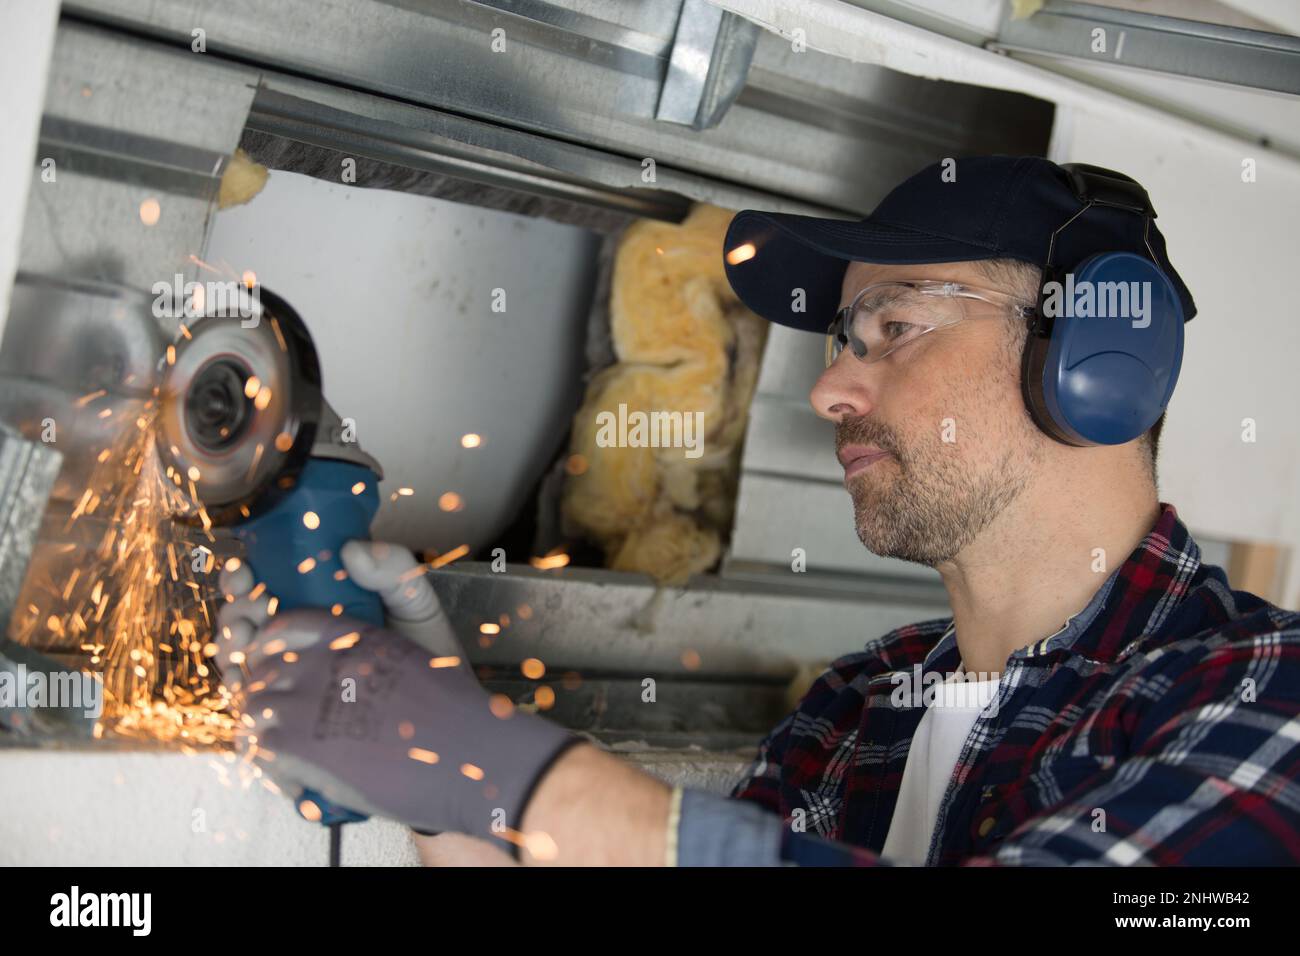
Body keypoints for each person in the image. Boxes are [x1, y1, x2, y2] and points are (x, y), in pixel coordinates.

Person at [218, 156, 1300, 866]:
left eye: (894, 327)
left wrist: (525, 773)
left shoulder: (1266, 695)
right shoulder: (854, 711)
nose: (831, 389)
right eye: (842, 340)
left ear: (1100, 361)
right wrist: (434, 769)